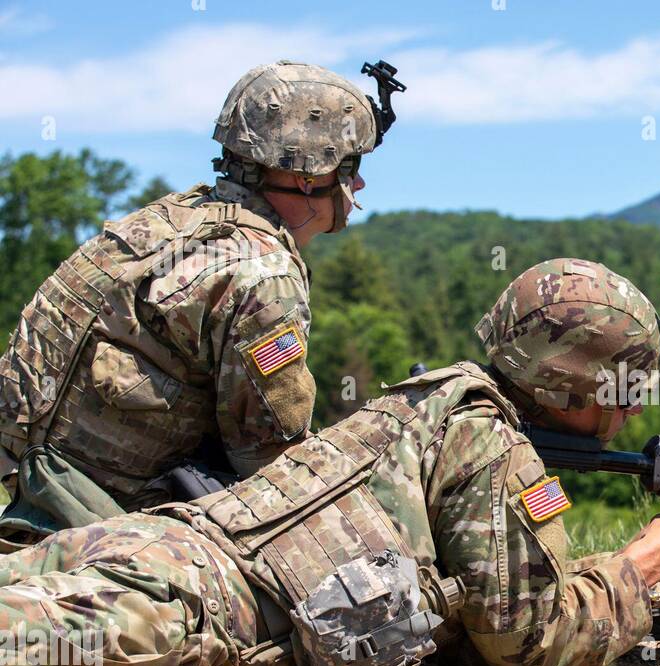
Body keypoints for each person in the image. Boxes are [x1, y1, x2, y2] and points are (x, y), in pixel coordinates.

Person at [0, 259, 660, 666]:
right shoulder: (489, 441)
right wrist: (639, 567)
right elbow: (523, 639)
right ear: (580, 383)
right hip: (200, 605)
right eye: (627, 389)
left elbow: (483, 592)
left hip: (155, 542)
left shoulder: (436, 396)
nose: (632, 409)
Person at [0, 60, 399, 551]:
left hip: (22, 495)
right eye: (350, 168)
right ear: (306, 179)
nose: (357, 186)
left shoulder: (159, 221)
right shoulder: (262, 275)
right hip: (92, 541)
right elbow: (274, 469)